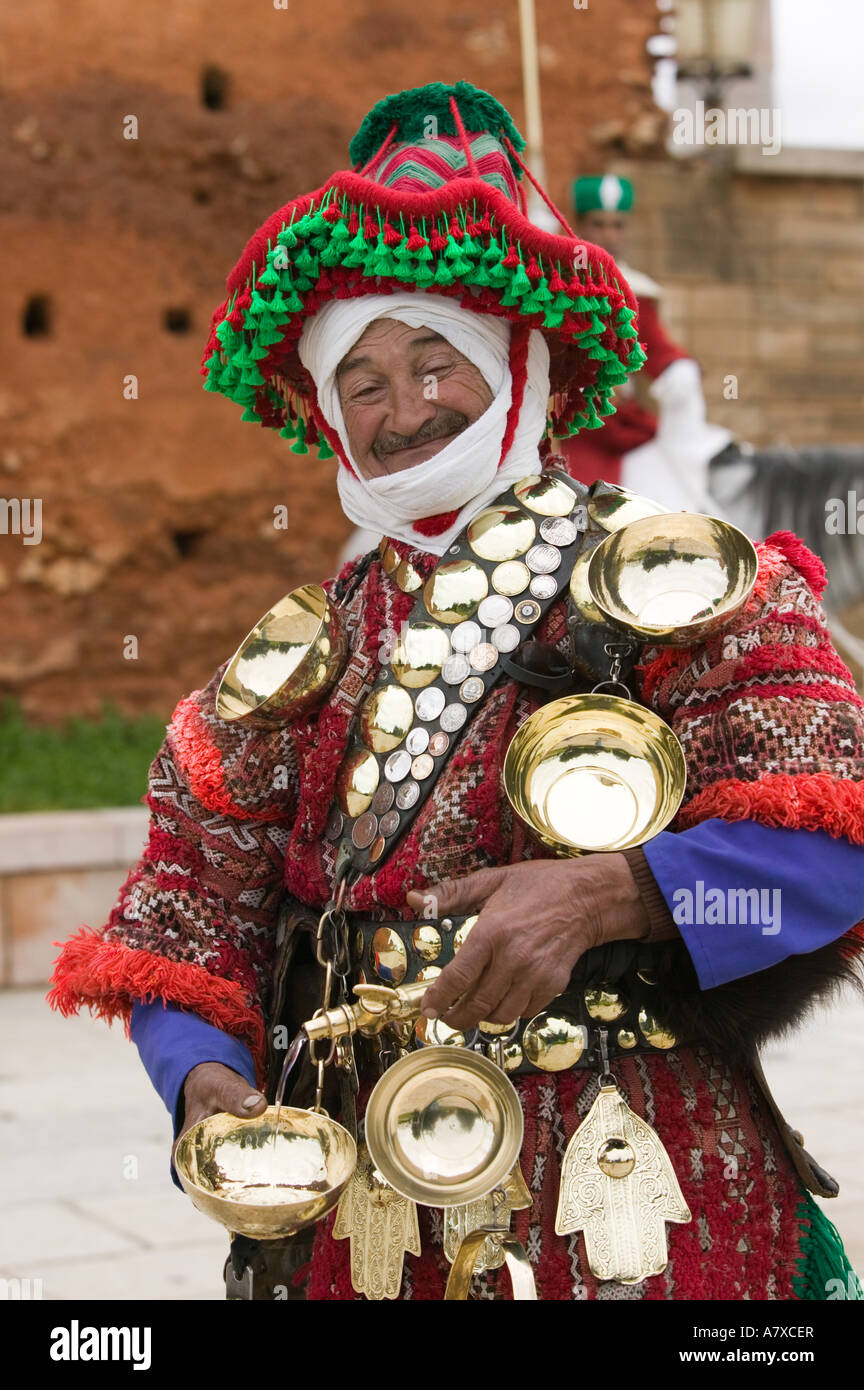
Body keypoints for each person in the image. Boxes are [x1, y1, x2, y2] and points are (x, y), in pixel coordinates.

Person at [50, 82, 864, 1302]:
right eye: (362, 382)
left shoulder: (681, 582)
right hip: (357, 1214)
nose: (403, 410)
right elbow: (184, 915)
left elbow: (836, 836)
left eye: (440, 360)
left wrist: (616, 893)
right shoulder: (291, 660)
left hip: (631, 1184)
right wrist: (200, 1079)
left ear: (520, 363)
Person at [561, 174, 730, 514]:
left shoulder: (638, 291)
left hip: (625, 426)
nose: (609, 235)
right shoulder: (552, 282)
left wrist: (678, 368)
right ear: (578, 225)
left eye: (617, 225)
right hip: (570, 428)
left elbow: (655, 347)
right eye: (599, 224)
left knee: (680, 501)